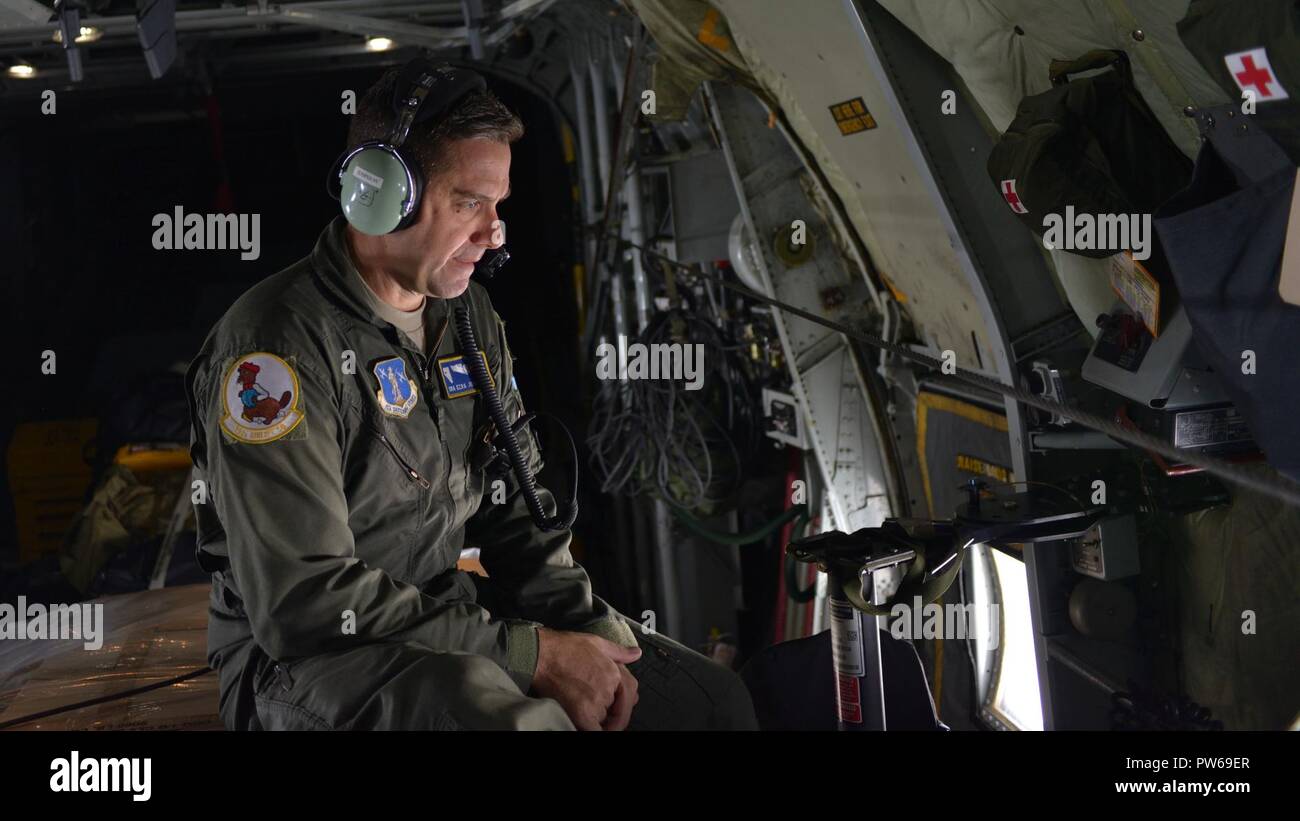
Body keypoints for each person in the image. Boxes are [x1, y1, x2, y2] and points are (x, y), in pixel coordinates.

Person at [184, 58, 757, 730]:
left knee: (710, 703)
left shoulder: (468, 318)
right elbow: (303, 603)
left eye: (499, 206)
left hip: (442, 618)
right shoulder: (275, 347)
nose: (494, 234)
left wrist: (595, 637)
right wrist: (531, 653)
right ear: (377, 193)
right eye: (469, 203)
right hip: (302, 664)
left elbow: (520, 518)